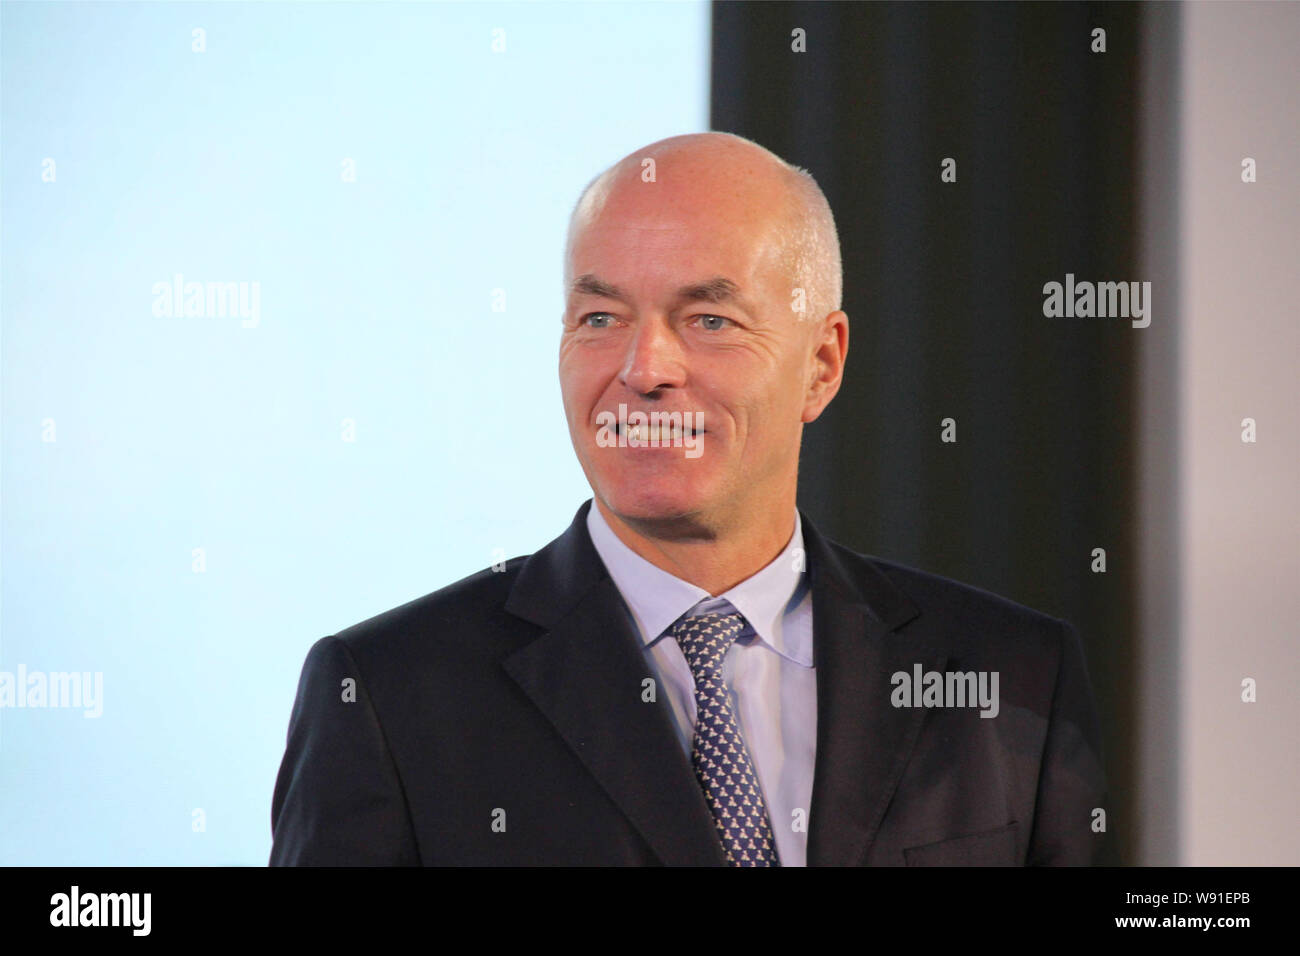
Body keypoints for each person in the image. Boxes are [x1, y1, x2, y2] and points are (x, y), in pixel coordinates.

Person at [269, 131, 1110, 866]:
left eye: (708, 319)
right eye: (599, 317)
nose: (643, 369)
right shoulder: (386, 697)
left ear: (822, 363)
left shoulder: (1009, 677)